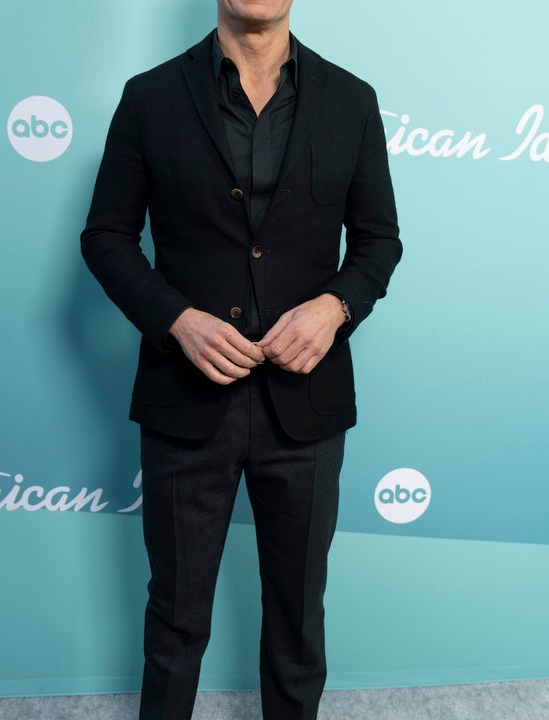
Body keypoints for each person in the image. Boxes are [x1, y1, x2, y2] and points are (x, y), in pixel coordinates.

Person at [81, 1, 401, 718]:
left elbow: (379, 241)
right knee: (175, 616)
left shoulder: (351, 100)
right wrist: (176, 320)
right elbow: (106, 236)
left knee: (298, 615)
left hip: (306, 405)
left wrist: (335, 306)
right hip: (185, 401)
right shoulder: (150, 97)